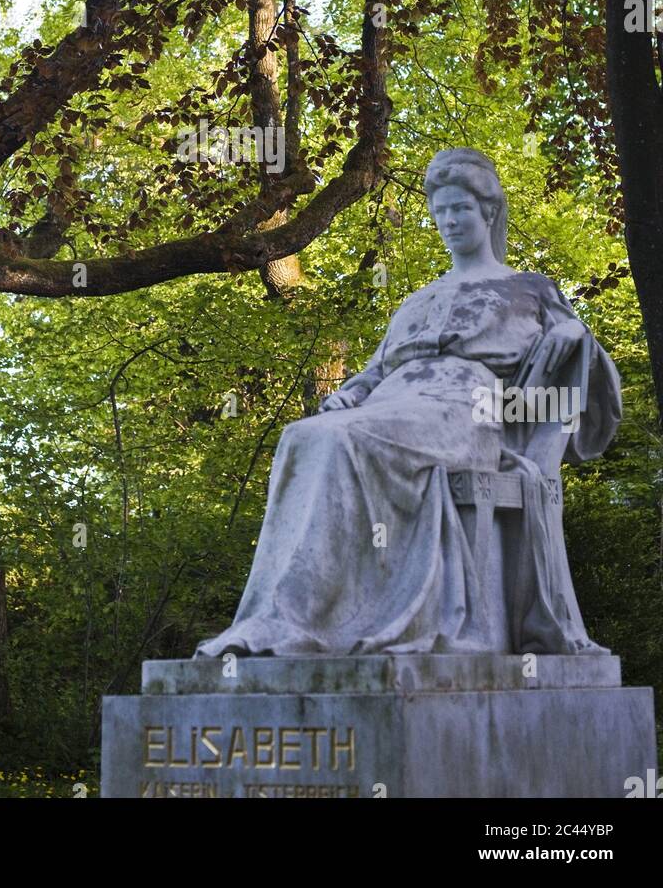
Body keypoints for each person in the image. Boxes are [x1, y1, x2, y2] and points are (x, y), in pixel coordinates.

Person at [194, 148, 621, 659]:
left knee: (344, 439)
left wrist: (575, 333)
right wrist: (347, 394)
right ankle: (283, 621)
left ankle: (303, 625)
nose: (449, 220)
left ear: (488, 211)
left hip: (469, 408)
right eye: (440, 211)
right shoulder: (419, 300)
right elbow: (376, 371)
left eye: (460, 208)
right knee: (305, 434)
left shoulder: (529, 289)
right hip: (394, 402)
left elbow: (593, 386)